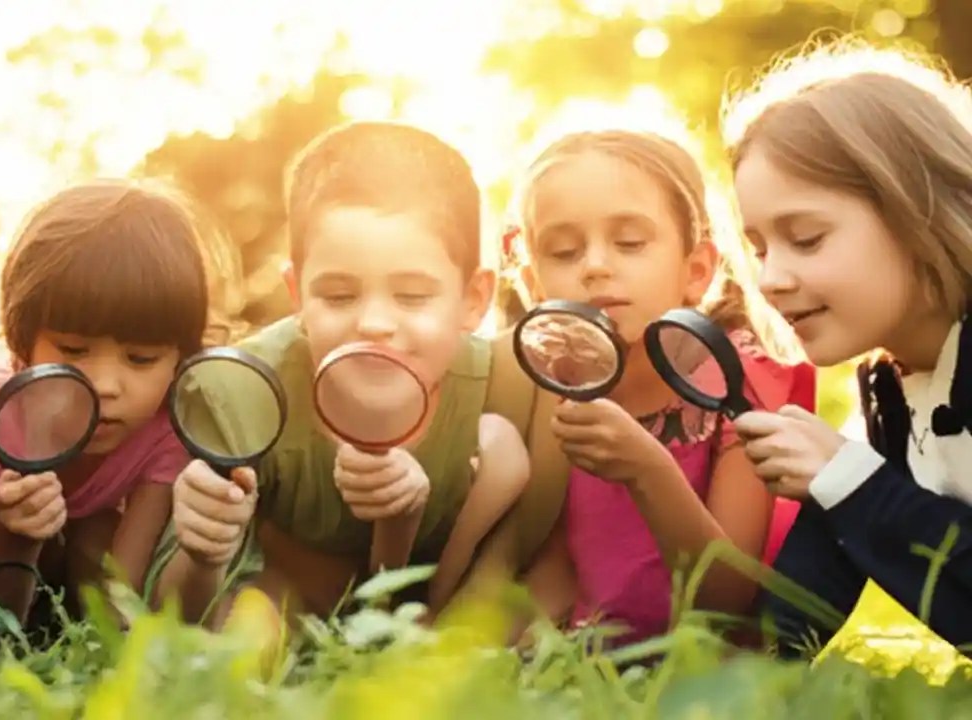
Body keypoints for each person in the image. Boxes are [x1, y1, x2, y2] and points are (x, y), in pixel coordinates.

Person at [157, 121, 530, 623]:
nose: (374, 324)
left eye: (413, 296)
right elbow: (173, 610)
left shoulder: (500, 392)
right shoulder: (241, 393)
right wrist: (203, 552)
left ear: (473, 300)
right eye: (338, 296)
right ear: (298, 297)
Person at [504, 125, 815, 647]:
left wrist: (647, 468)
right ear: (534, 285)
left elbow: (726, 597)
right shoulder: (550, 389)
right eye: (563, 252)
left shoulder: (739, 387)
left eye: (629, 243)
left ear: (696, 270)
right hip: (594, 669)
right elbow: (556, 572)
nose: (596, 266)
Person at [724, 39, 972, 657]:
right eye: (759, 248)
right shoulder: (888, 396)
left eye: (805, 238)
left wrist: (849, 480)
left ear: (918, 212)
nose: (771, 277)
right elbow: (804, 599)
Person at [0, 181, 206, 628]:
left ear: (179, 359)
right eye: (73, 350)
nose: (104, 385)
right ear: (24, 340)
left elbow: (121, 602)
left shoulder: (165, 428)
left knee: (92, 536)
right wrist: (11, 535)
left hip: (81, 566)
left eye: (141, 359)